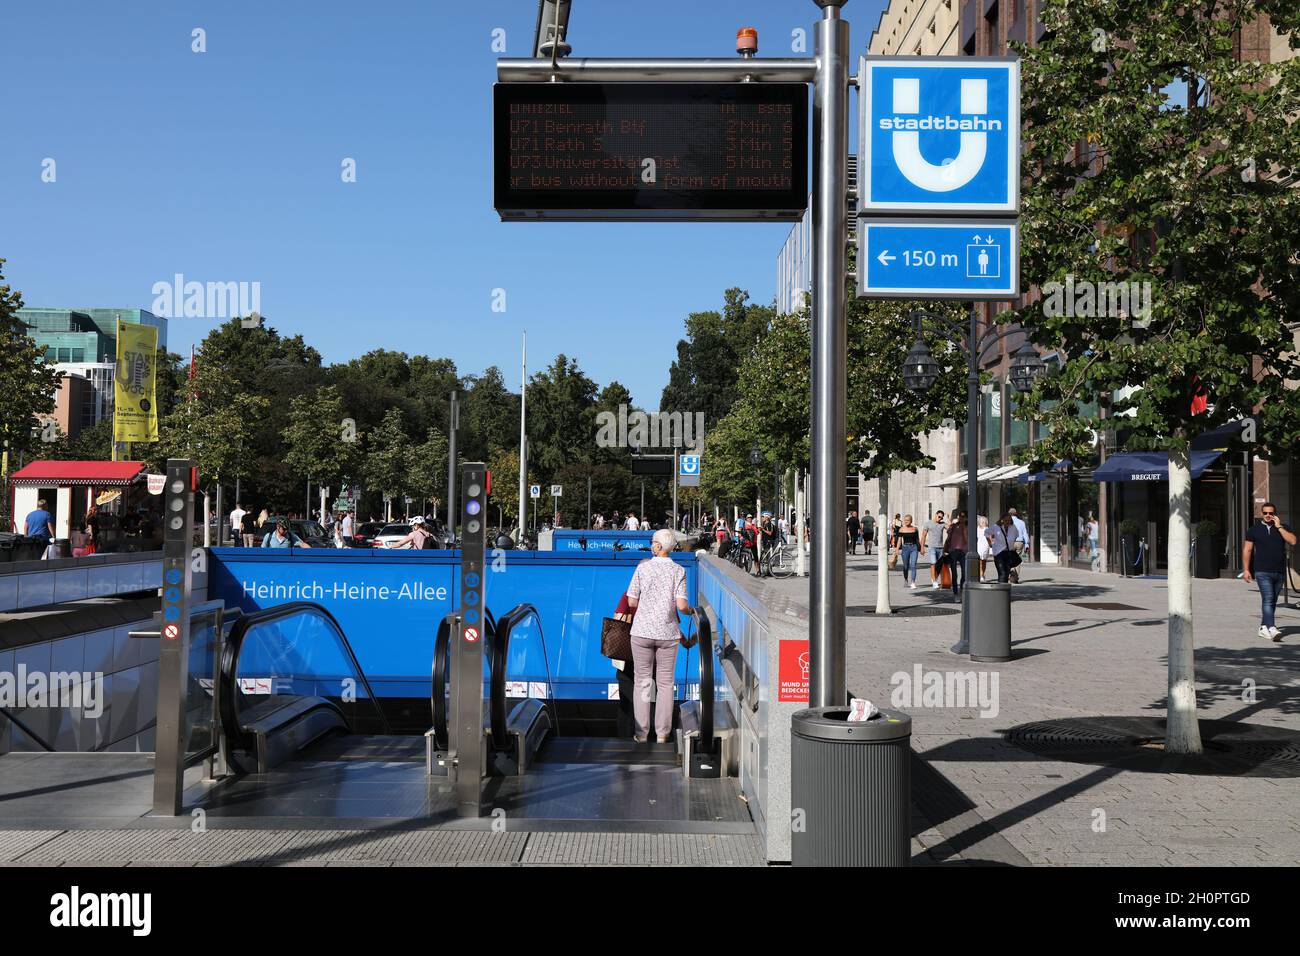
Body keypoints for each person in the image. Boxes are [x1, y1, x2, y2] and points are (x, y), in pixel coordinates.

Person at [624, 529, 689, 744]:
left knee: (642, 682)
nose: (651, 545)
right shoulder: (678, 571)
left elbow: (631, 601)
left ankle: (642, 733)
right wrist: (691, 611)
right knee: (665, 684)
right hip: (668, 634)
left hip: (642, 632)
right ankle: (662, 733)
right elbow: (682, 606)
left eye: (653, 542)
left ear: (659, 546)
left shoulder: (643, 568)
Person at [1243, 502, 1295, 641]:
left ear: (1275, 514)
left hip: (1279, 571)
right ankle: (1271, 627)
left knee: (1272, 601)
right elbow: (1247, 550)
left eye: (1270, 513)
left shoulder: (1283, 528)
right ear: (1261, 513)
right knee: (1268, 598)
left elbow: (1293, 541)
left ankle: (1263, 627)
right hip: (1262, 571)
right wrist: (1246, 569)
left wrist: (1279, 527)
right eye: (1265, 513)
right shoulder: (1254, 530)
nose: (1268, 515)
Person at [988, 513, 1021, 583]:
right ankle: (1000, 590)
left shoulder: (1013, 527)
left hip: (1008, 553)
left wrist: (1010, 545)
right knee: (1002, 573)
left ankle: (1005, 590)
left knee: (1006, 573)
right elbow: (986, 532)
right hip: (998, 553)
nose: (1007, 522)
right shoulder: (996, 527)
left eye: (1009, 520)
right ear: (1002, 520)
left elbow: (1016, 536)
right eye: (1005, 520)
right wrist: (990, 543)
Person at [944, 511, 969, 599]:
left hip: (964, 551)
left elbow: (966, 540)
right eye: (960, 516)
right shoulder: (954, 526)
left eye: (963, 516)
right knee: (954, 573)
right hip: (953, 550)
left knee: (964, 572)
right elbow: (948, 537)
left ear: (966, 518)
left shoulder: (968, 527)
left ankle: (961, 589)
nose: (961, 518)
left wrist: (964, 529)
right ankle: (955, 593)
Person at [922, 510, 947, 589]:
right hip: (932, 547)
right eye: (939, 516)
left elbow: (951, 528)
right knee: (933, 563)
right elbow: (924, 535)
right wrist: (922, 547)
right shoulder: (928, 523)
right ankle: (934, 581)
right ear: (935, 515)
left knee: (939, 566)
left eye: (941, 518)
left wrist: (948, 519)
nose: (940, 519)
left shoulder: (942, 524)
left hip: (940, 548)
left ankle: (934, 578)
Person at [896, 515, 920, 588]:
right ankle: (906, 579)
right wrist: (897, 549)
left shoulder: (915, 529)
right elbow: (899, 540)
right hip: (905, 548)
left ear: (911, 521)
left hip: (914, 548)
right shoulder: (901, 529)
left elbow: (917, 540)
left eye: (908, 520)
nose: (906, 521)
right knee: (906, 566)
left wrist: (921, 548)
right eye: (905, 520)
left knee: (913, 565)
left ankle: (913, 582)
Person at [1007, 507, 1029, 583]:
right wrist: (1027, 544)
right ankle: (1015, 578)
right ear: (1016, 514)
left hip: (1010, 542)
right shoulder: (1022, 522)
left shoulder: (1007, 522)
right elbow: (1025, 534)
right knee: (1018, 560)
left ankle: (1011, 573)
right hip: (1020, 542)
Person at [975, 515, 992, 581]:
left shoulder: (977, 529)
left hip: (978, 545)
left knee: (979, 562)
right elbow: (989, 538)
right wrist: (991, 544)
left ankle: (980, 575)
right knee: (984, 562)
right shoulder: (987, 529)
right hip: (985, 546)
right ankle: (982, 575)